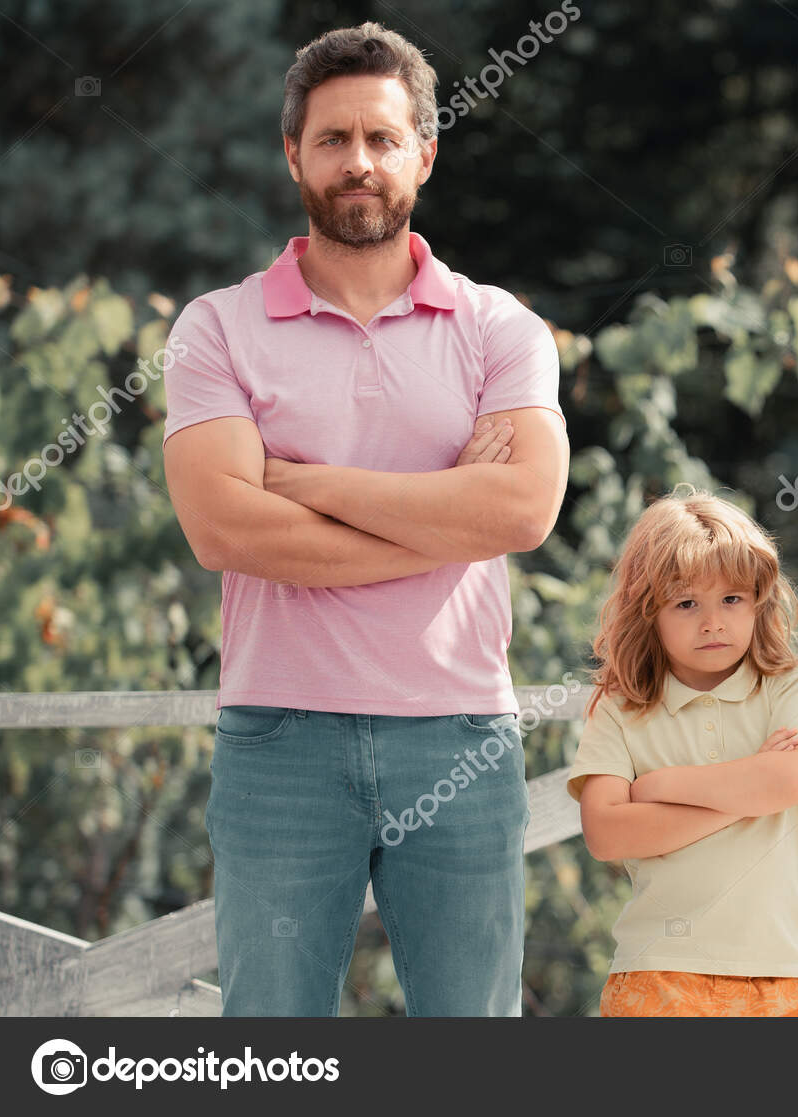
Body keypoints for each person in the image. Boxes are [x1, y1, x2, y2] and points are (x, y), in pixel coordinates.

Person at [160, 23, 569, 1016]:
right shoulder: (215, 327)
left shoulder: (497, 328)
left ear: (424, 154)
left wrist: (303, 484)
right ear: (292, 153)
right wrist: (441, 519)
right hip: (279, 738)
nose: (359, 163)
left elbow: (520, 509)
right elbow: (225, 532)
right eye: (334, 139)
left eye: (383, 139)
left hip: (461, 734)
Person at [566, 489, 798, 1017]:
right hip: (656, 973)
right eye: (687, 603)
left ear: (758, 602)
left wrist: (667, 787)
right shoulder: (620, 709)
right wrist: (752, 787)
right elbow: (605, 832)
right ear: (649, 612)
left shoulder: (788, 689)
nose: (713, 622)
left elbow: (795, 780)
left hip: (777, 976)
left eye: (731, 599)